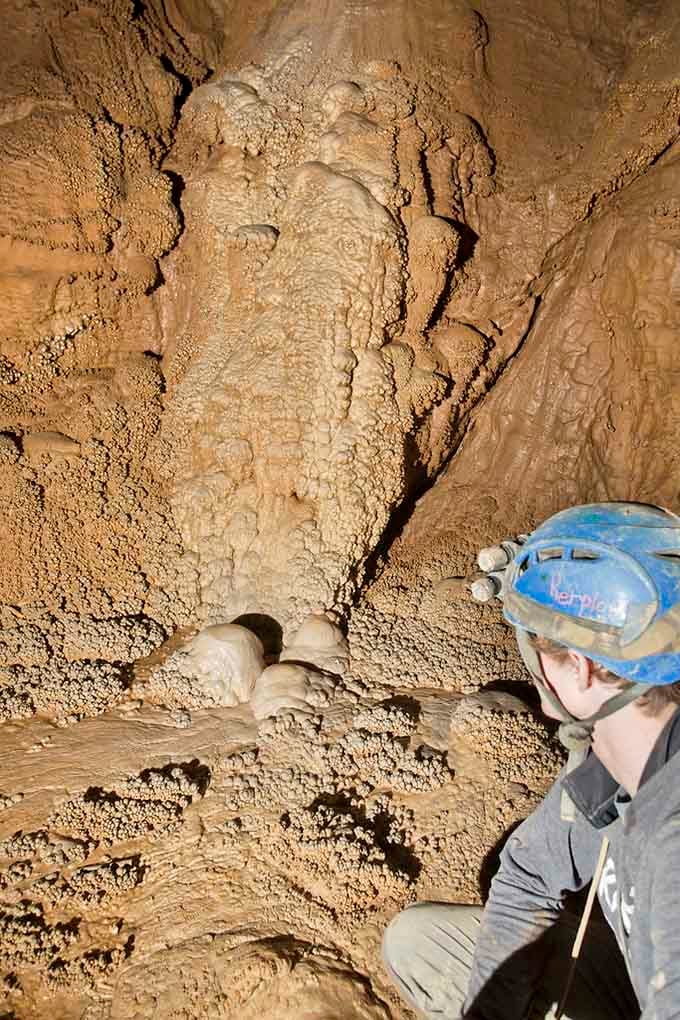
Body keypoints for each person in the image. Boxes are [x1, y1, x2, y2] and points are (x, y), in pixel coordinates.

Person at [382, 502, 680, 1020]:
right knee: (420, 944)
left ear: (582, 670)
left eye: (537, 646)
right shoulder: (618, 758)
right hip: (630, 972)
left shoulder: (672, 845)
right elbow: (527, 876)